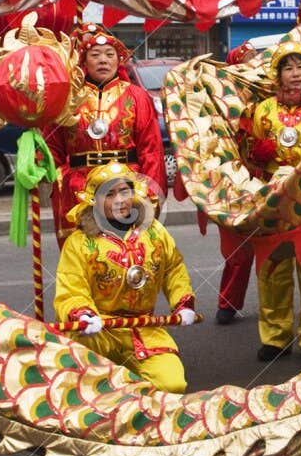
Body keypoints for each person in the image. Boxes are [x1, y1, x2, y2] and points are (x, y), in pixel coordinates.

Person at [54, 163, 196, 392]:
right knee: (86, 387)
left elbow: (173, 270)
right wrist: (84, 315)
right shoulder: (78, 243)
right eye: (110, 194)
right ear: (95, 201)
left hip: (144, 327)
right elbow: (71, 289)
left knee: (172, 385)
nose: (120, 200)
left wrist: (183, 303)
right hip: (97, 331)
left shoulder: (155, 232)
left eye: (124, 191)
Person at [242, 40, 301, 361]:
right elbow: (251, 149)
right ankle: (275, 336)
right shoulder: (265, 108)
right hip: (273, 198)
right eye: (288, 67)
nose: (295, 74)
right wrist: (257, 153)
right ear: (278, 74)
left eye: (300, 67)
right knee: (273, 268)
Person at [44, 23, 163, 244]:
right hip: (78, 187)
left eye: (110, 54)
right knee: (82, 254)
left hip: (126, 187)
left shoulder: (137, 97)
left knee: (128, 253)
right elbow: (52, 145)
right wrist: (50, 170)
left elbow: (151, 150)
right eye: (95, 54)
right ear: (83, 61)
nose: (103, 60)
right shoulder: (67, 98)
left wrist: (148, 190)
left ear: (119, 61)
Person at [214, 42, 259, 324]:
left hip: (268, 178)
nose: (251, 68)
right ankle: (228, 301)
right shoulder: (220, 101)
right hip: (233, 181)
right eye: (245, 63)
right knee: (237, 249)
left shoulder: (270, 97)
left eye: (256, 62)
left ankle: (276, 311)